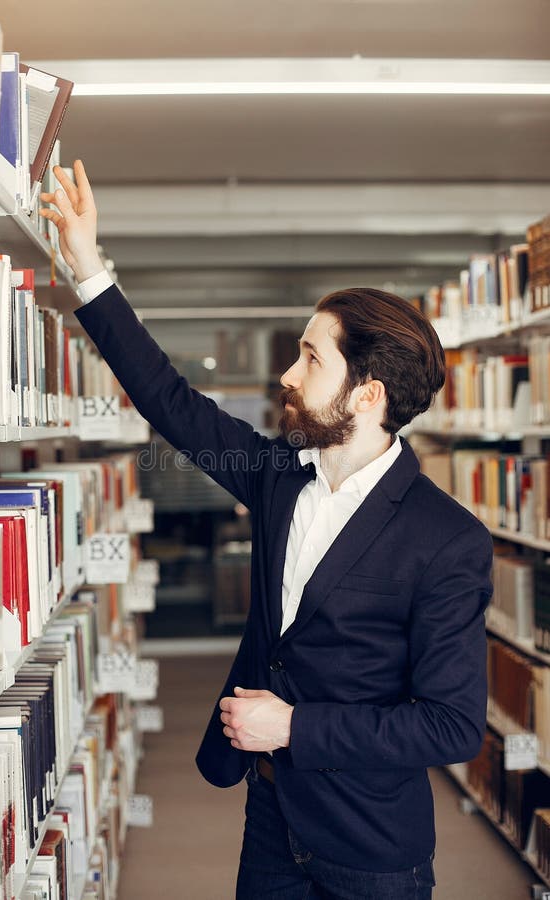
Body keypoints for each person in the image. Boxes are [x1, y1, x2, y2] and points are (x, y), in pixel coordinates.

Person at [40, 161, 493, 900]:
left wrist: (295, 729)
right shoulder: (281, 473)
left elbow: (449, 727)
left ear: (366, 394)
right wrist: (87, 261)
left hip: (371, 847)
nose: (287, 374)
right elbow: (169, 400)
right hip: (270, 817)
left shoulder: (448, 540)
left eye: (310, 358)